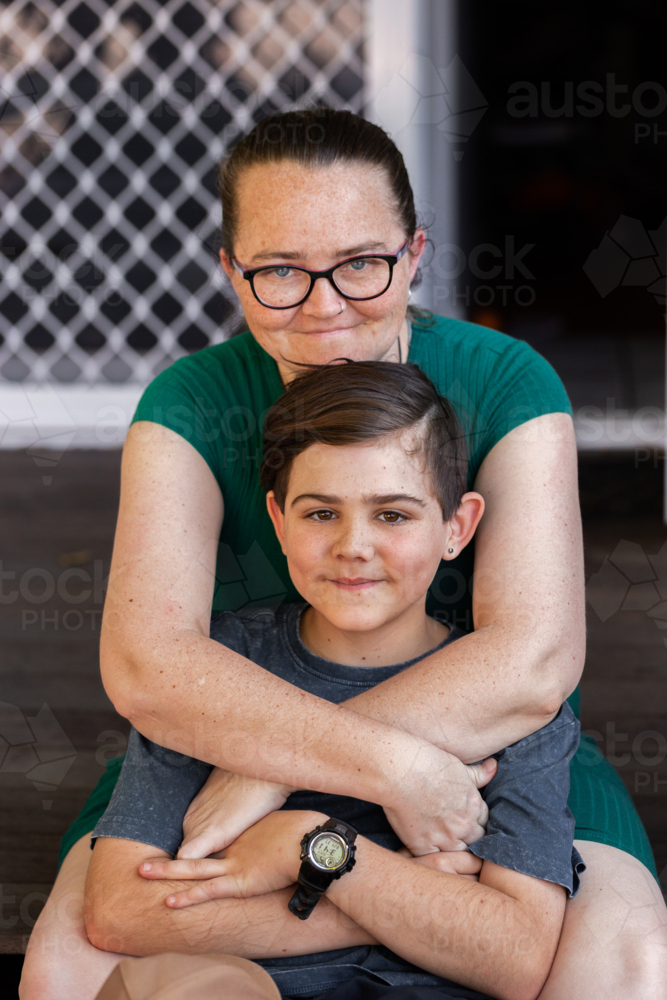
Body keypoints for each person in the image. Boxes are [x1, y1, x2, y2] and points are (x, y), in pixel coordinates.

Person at [20, 109, 666, 1000]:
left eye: (360, 264)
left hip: (486, 753)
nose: (324, 306)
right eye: (280, 271)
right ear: (230, 272)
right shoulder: (191, 400)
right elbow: (148, 663)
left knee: (626, 968)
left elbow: (533, 659)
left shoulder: (509, 380)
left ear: (413, 254)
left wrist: (272, 780)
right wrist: (355, 772)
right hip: (219, 750)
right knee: (62, 968)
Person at [85, 361, 584, 1000]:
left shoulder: (502, 693)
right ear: (277, 520)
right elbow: (121, 910)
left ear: (457, 526)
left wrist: (306, 842)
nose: (354, 545)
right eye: (321, 514)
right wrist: (405, 893)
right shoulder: (222, 669)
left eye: (393, 516)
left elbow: (515, 956)